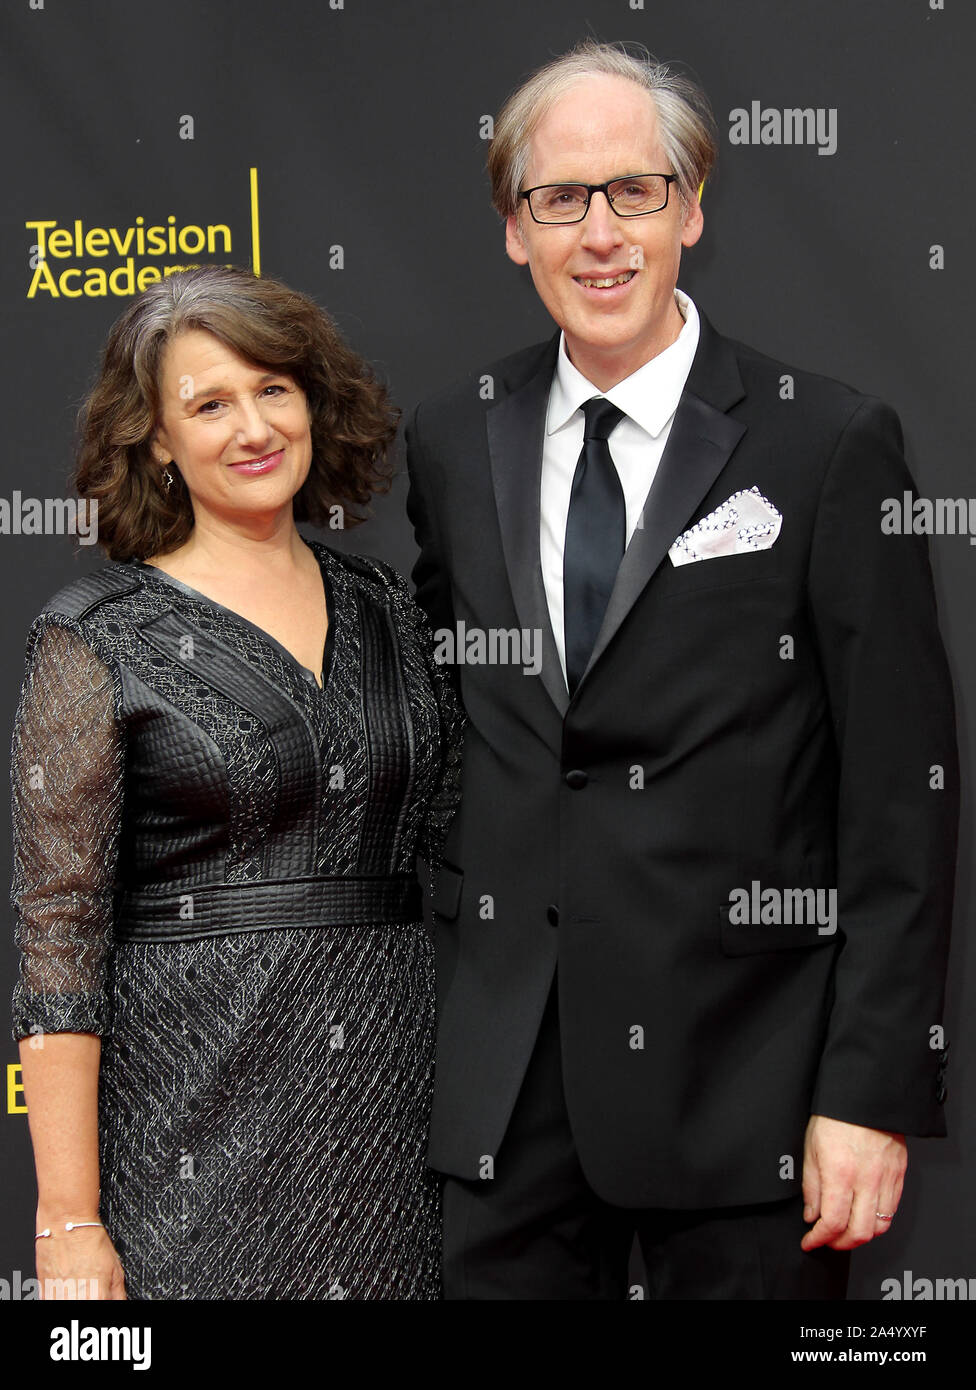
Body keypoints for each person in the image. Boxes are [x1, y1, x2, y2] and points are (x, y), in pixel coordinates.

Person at [405, 40, 958, 1299]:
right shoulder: (449, 435)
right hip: (510, 1107)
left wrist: (866, 1092)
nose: (599, 234)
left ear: (692, 207)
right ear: (512, 229)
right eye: (559, 198)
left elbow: (899, 795)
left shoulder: (824, 440)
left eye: (634, 192)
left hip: (751, 1101)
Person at [10, 264, 461, 1300]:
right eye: (209, 403)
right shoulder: (96, 635)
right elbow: (59, 933)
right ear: (157, 439)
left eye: (273, 389)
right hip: (192, 1124)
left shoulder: (387, 606)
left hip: (395, 1120)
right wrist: (69, 1222)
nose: (253, 427)